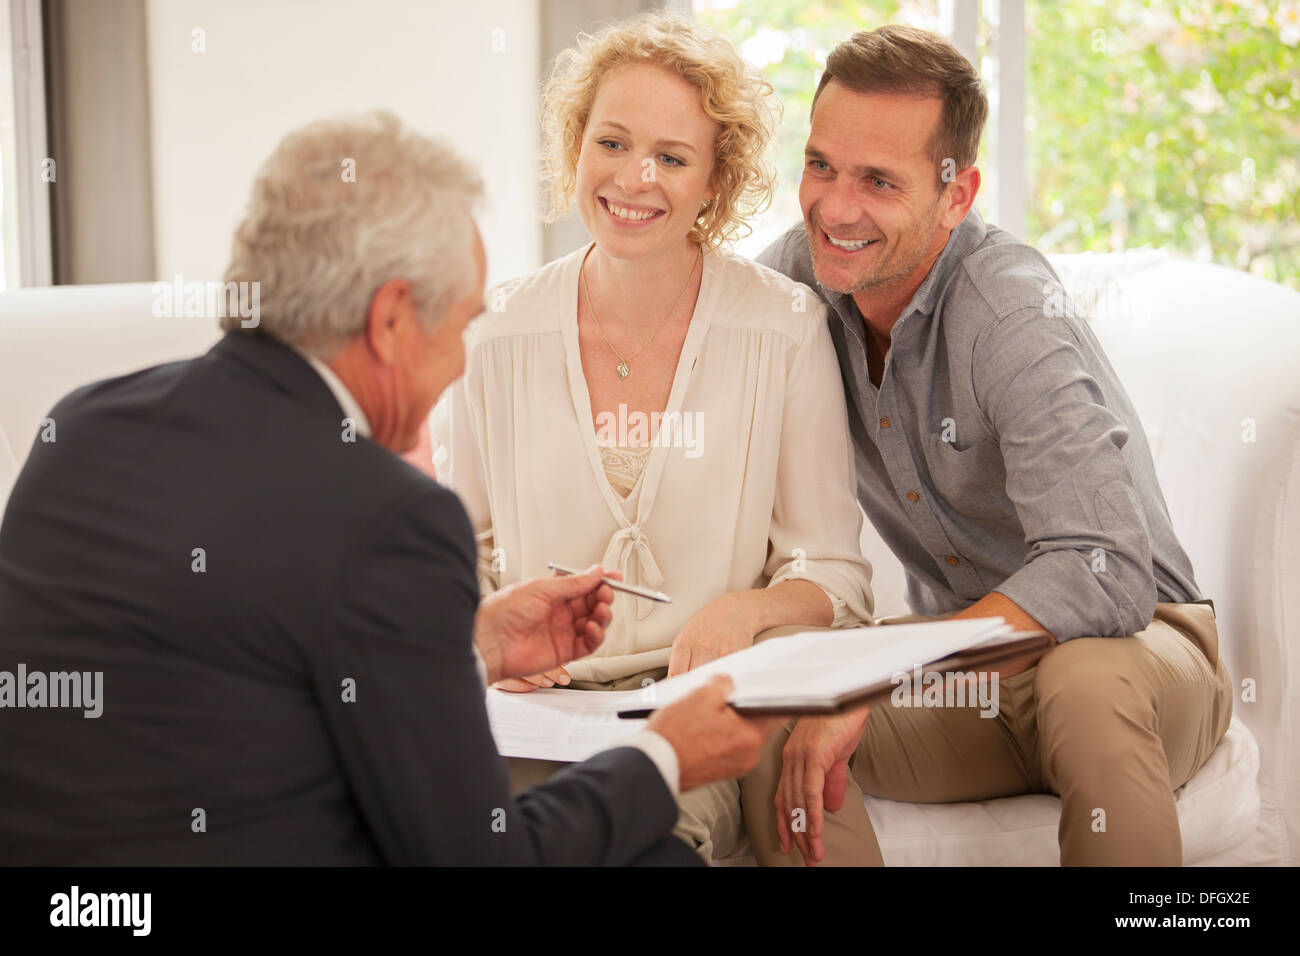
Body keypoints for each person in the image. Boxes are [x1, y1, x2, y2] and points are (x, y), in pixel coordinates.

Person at [0, 111, 782, 866]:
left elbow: (232, 677)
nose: (459, 366)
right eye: (459, 327)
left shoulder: (83, 425)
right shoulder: (389, 518)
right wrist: (663, 756)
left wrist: (466, 646)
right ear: (390, 321)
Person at [744, 24, 1235, 866]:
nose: (835, 206)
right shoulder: (796, 282)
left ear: (956, 195)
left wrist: (889, 668)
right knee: (770, 700)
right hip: (969, 677)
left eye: (878, 181)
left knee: (1083, 680)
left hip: (1138, 656)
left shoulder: (1007, 310)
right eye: (820, 165)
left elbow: (1103, 568)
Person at [432, 13, 874, 863]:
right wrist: (485, 633)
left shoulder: (784, 329)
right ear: (576, 148)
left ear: (716, 180)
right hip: (524, 714)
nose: (636, 178)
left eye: (673, 158)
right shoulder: (495, 331)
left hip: (690, 715)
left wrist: (748, 610)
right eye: (612, 142)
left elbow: (835, 572)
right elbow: (462, 551)